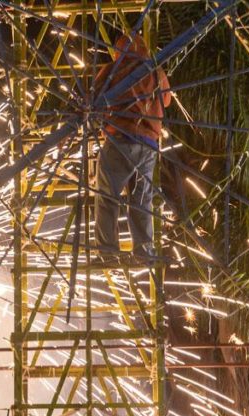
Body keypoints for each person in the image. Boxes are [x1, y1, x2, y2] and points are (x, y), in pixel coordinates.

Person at [92, 33, 171, 262]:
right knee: (142, 199)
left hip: (119, 141)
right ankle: (144, 250)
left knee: (107, 196)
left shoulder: (112, 70)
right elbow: (166, 101)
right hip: (148, 145)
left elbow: (95, 99)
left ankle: (107, 251)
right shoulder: (156, 71)